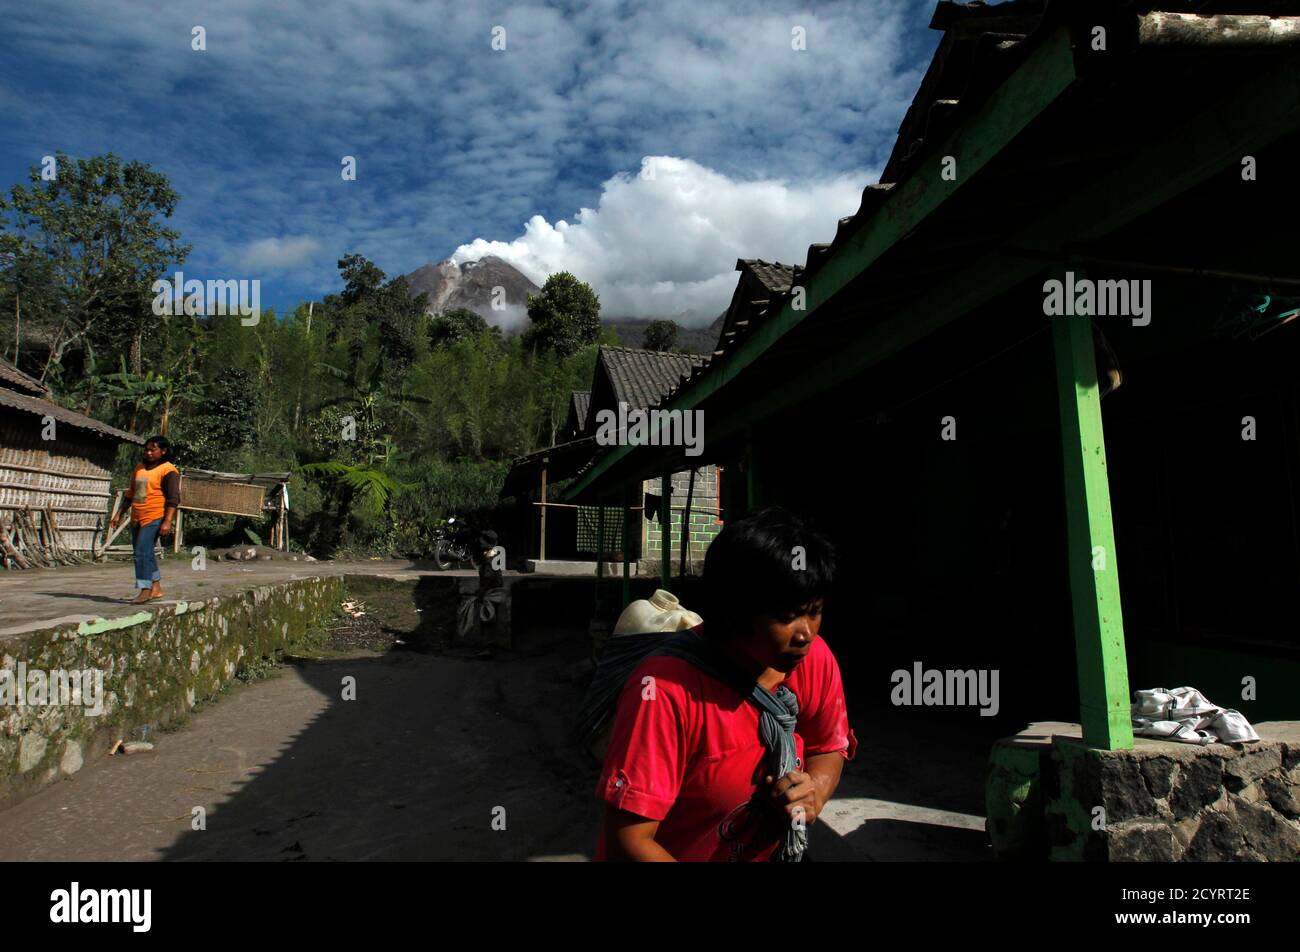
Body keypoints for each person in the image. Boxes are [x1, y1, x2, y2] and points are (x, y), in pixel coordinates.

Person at [594, 506, 857, 862]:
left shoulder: (813, 660)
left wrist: (815, 793)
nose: (805, 633)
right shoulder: (664, 691)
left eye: (814, 611)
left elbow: (828, 745)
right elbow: (628, 841)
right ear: (736, 610)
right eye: (786, 617)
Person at [109, 436, 180, 603]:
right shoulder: (140, 468)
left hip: (155, 516)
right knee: (145, 553)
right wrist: (119, 513)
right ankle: (156, 588)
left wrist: (167, 521)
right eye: (146, 449)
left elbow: (173, 499)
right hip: (138, 517)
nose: (148, 453)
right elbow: (133, 493)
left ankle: (145, 589)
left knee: (141, 553)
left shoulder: (168, 471)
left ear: (163, 451)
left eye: (152, 450)